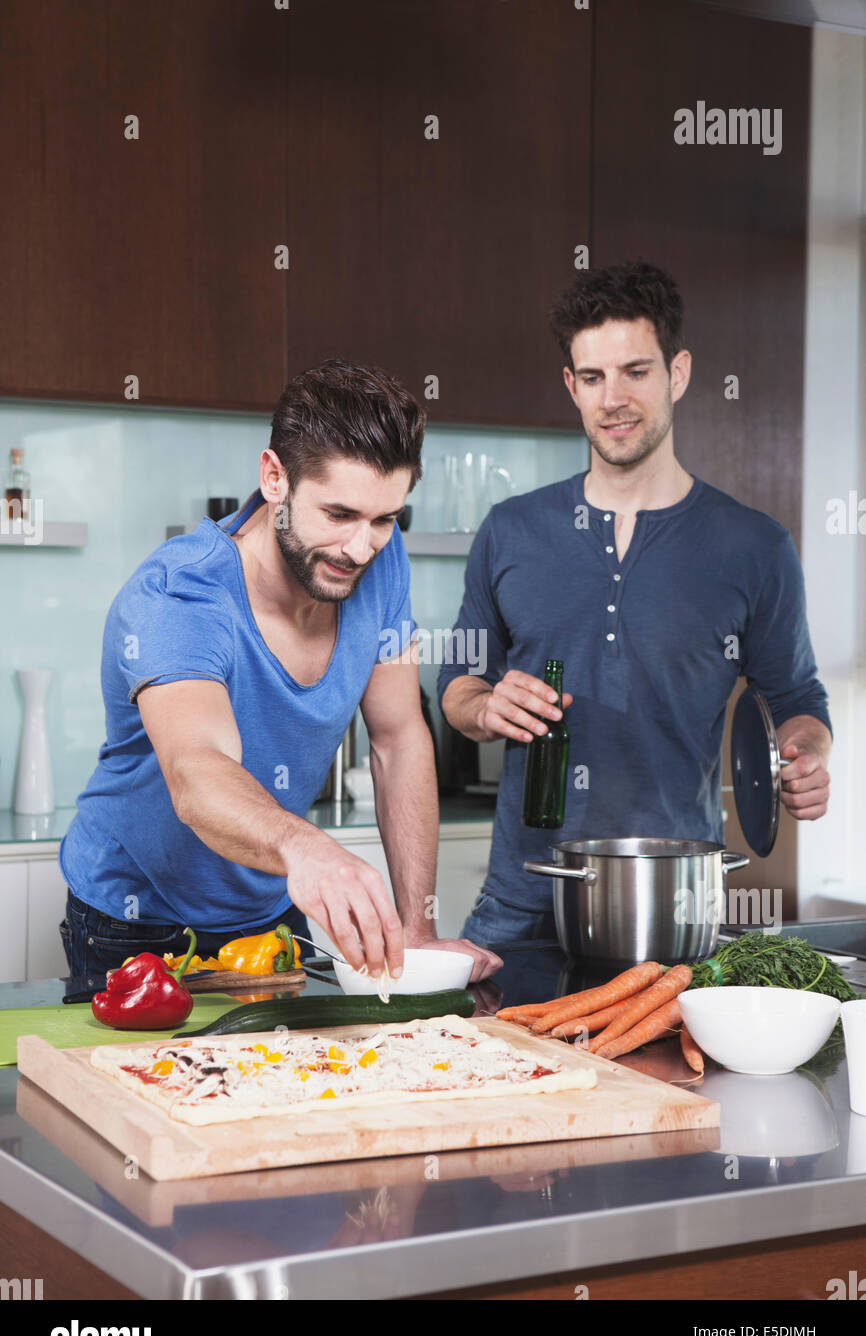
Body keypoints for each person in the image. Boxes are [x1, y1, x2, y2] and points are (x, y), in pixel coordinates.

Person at [60, 359, 501, 986]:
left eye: (385, 519)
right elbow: (197, 771)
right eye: (339, 514)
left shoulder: (382, 558)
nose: (361, 546)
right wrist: (307, 849)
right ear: (275, 479)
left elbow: (398, 737)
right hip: (134, 921)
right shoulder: (179, 596)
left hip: (270, 914)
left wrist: (417, 928)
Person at [437, 261, 832, 949]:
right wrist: (483, 706)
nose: (613, 397)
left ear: (678, 373)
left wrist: (802, 758)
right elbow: (458, 686)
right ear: (571, 386)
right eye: (592, 378)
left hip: (674, 908)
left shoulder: (755, 546)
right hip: (522, 901)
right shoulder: (510, 530)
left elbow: (798, 697)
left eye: (635, 372)